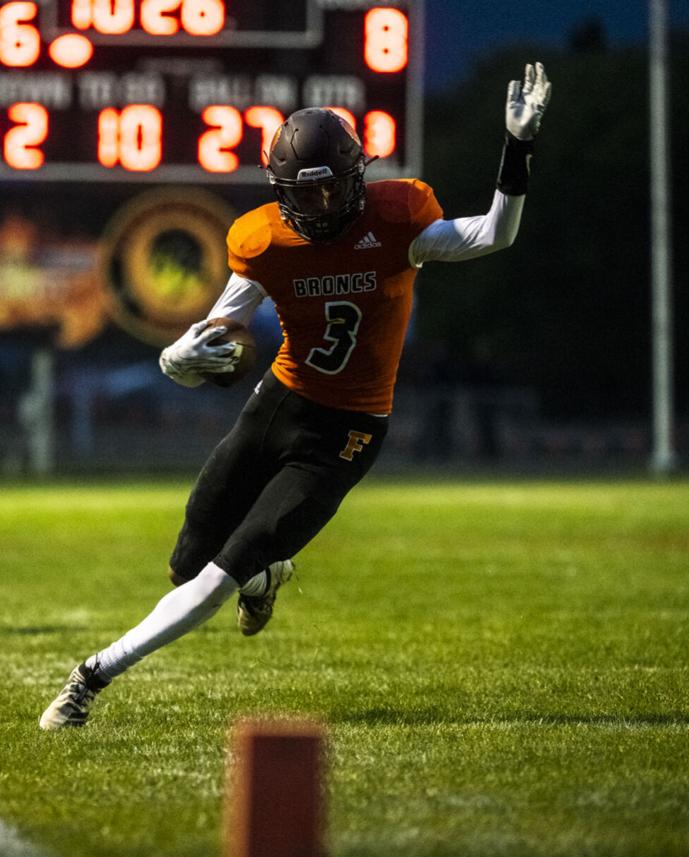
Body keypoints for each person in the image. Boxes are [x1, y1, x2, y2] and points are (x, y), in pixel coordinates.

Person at [40, 63, 553, 728]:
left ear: (354, 180)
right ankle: (264, 576)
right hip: (279, 400)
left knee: (214, 579)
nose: (312, 209)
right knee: (188, 560)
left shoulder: (397, 221)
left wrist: (518, 146)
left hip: (347, 432)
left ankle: (89, 678)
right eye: (298, 195)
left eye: (325, 192)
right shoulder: (265, 240)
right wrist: (177, 358)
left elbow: (494, 232)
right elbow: (215, 327)